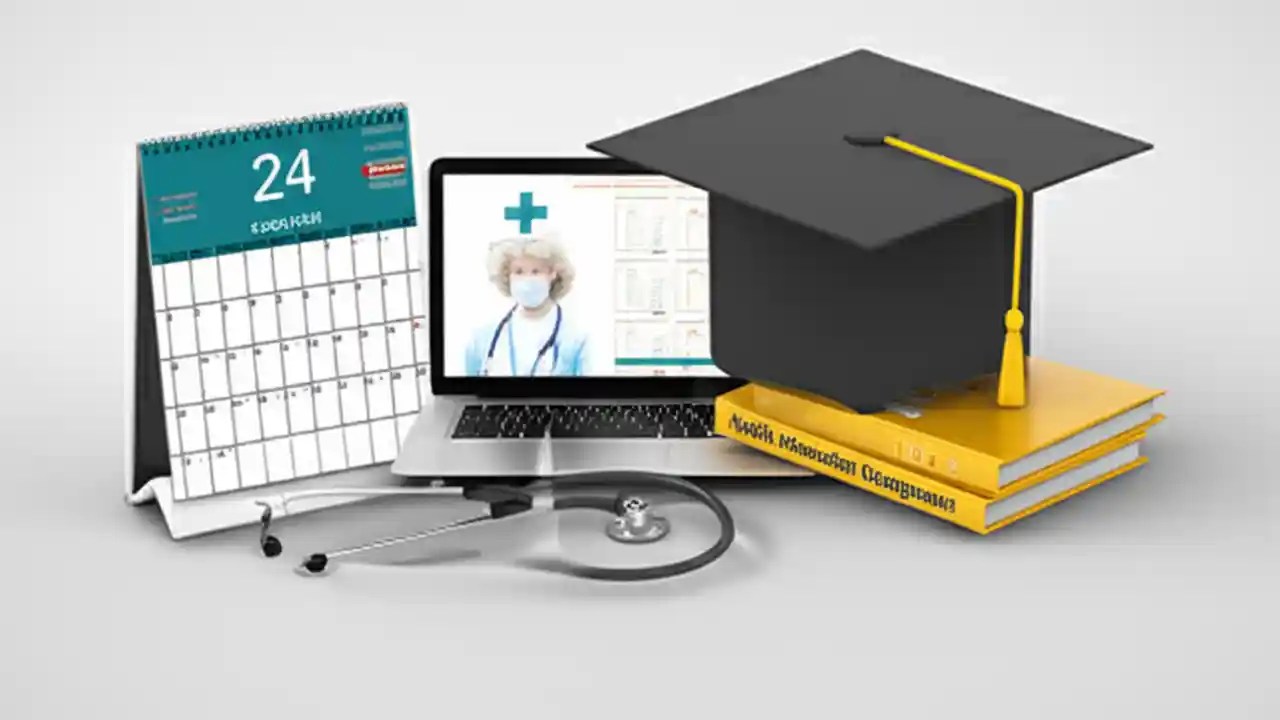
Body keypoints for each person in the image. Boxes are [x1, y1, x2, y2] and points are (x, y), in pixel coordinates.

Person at [464, 233, 589, 376]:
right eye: (519, 272)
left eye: (536, 271)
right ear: (506, 275)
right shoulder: (482, 338)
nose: (527, 280)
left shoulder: (576, 339)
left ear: (553, 274)